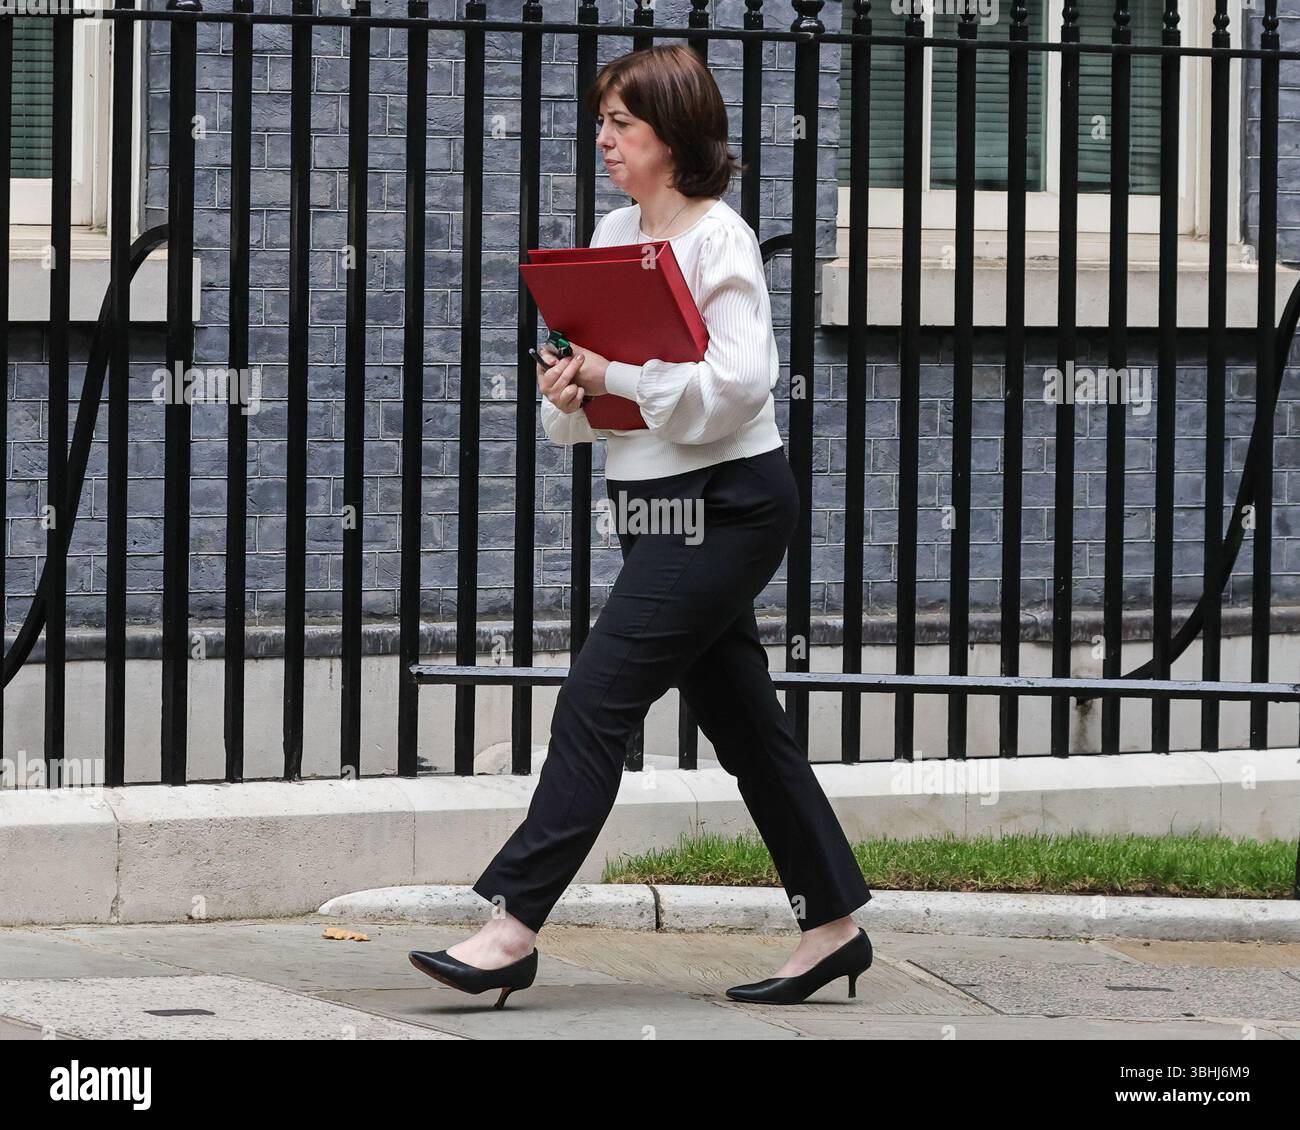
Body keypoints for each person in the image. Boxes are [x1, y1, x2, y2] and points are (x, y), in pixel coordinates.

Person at [409, 43, 873, 1009]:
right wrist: (569, 386)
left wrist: (614, 375)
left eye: (624, 122)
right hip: (652, 506)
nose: (605, 137)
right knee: (748, 727)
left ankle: (511, 924)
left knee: (596, 699)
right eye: (605, 121)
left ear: (675, 133)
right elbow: (595, 401)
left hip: (730, 506)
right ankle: (833, 924)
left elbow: (740, 386)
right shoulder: (615, 230)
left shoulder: (718, 240)